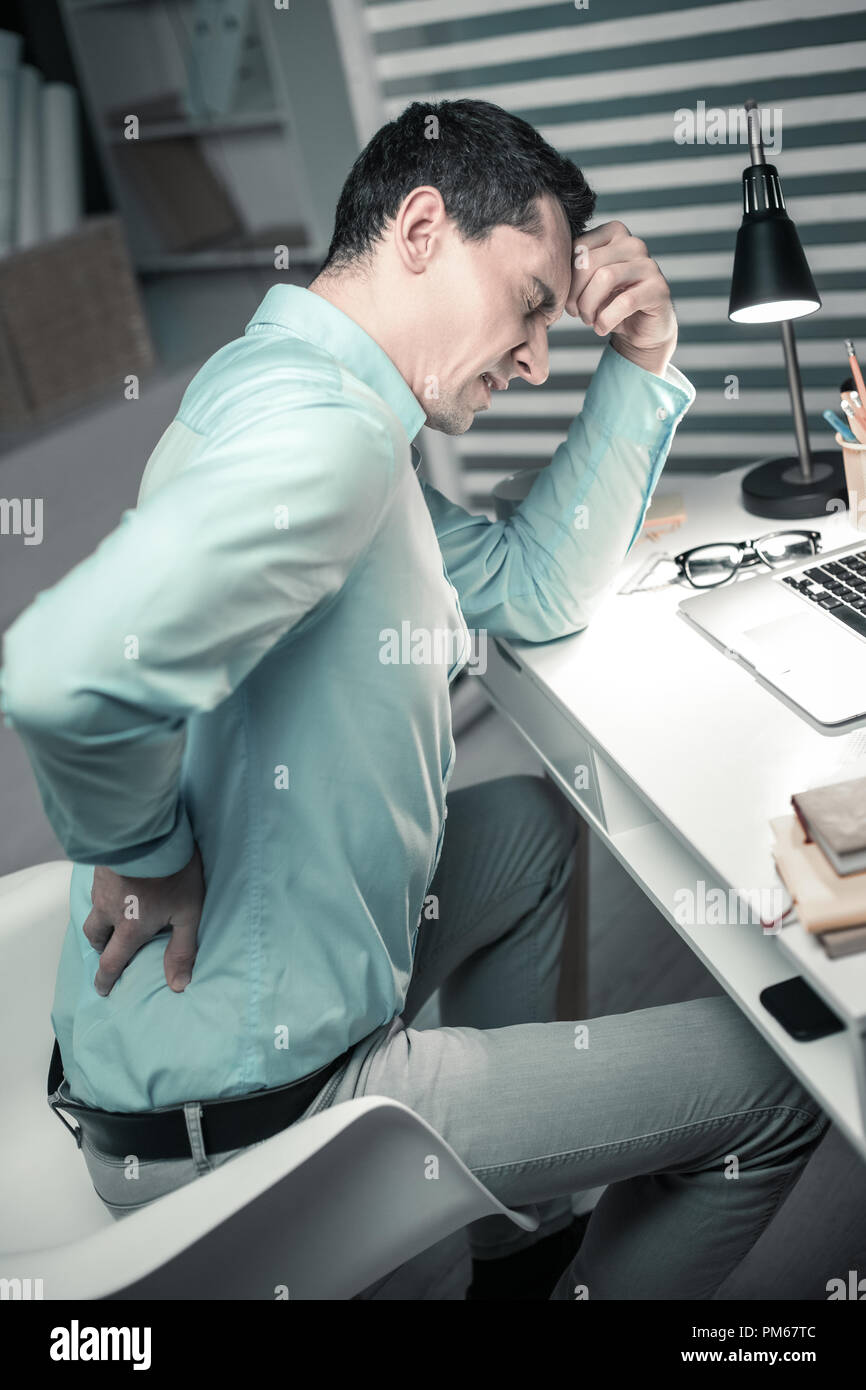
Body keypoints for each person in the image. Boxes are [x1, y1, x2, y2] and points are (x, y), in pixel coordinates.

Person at [0, 99, 828, 1300]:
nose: (539, 356)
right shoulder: (325, 439)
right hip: (255, 1107)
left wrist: (639, 364)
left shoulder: (296, 391)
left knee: (535, 838)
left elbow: (529, 586)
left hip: (145, 1057)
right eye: (531, 303)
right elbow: (64, 668)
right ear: (425, 226)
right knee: (778, 1090)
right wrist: (145, 843)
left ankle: (506, 1237)